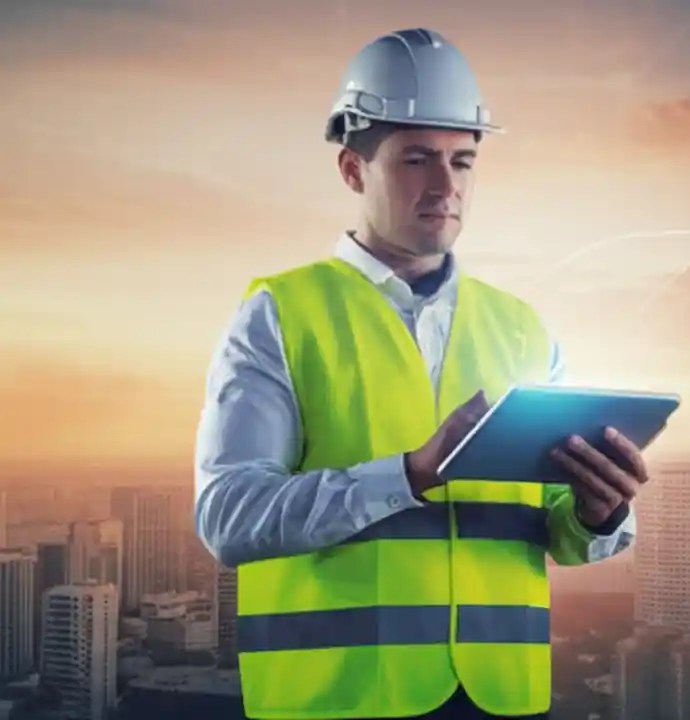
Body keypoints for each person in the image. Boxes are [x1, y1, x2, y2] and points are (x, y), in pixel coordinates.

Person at [193, 27, 649, 720]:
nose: (446, 185)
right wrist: (407, 476)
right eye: (417, 159)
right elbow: (229, 518)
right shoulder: (280, 314)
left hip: (502, 699)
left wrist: (599, 510)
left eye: (463, 161)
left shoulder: (521, 327)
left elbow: (566, 536)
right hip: (335, 700)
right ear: (352, 170)